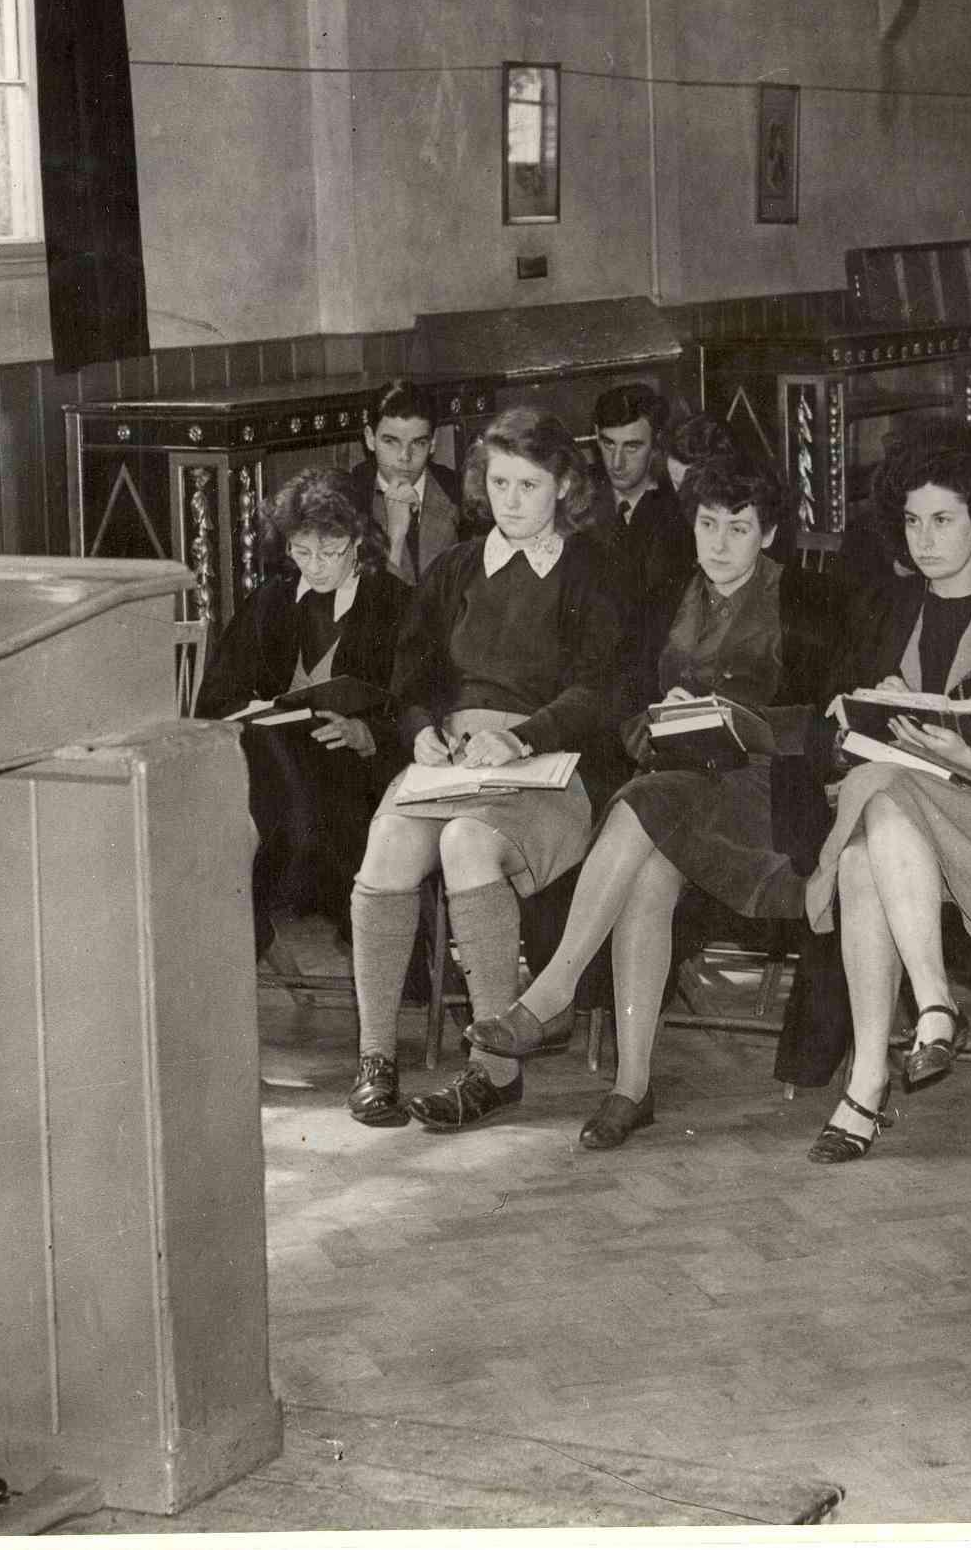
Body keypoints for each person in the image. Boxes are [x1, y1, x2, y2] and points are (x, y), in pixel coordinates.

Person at [463, 456, 852, 1147]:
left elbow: (828, 726)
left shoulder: (810, 600)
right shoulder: (666, 594)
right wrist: (661, 717)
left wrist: (739, 719)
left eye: (738, 528)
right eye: (707, 525)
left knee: (641, 803)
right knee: (646, 868)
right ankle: (630, 1087)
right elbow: (623, 703)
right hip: (682, 783)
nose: (719, 543)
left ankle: (552, 993)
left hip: (767, 799)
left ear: (768, 534)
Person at [344, 407, 627, 1132]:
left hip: (549, 768)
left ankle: (494, 1071)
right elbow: (410, 679)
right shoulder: (456, 568)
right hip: (455, 764)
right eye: (500, 483)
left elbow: (601, 689)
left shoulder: (591, 571)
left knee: (465, 842)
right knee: (386, 845)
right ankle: (376, 1060)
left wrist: (524, 737)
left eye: (528, 485)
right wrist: (419, 732)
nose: (511, 500)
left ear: (564, 486)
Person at [806, 427, 971, 1165]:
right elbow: (828, 736)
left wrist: (969, 753)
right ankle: (905, 1039)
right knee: (868, 840)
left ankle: (896, 1051)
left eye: (943, 519)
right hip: (901, 832)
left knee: (874, 812)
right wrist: (864, 714)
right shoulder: (884, 609)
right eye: (913, 522)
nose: (924, 539)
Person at [194, 465, 411, 955]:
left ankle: (247, 925)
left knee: (266, 816)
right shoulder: (272, 600)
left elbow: (419, 702)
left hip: (357, 773)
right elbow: (216, 699)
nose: (315, 566)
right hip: (272, 767)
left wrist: (367, 732)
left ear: (359, 540)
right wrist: (259, 711)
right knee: (266, 756)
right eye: (301, 550)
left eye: (330, 552)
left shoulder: (392, 604)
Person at [588, 381, 697, 647]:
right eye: (608, 444)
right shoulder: (578, 499)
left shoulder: (679, 511)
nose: (616, 462)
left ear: (657, 443)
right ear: (596, 435)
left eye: (632, 447)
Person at [350, 379, 463, 587]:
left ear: (433, 443)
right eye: (390, 441)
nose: (405, 457)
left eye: (418, 443)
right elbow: (365, 602)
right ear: (370, 438)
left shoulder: (458, 493)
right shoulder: (350, 501)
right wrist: (395, 537)